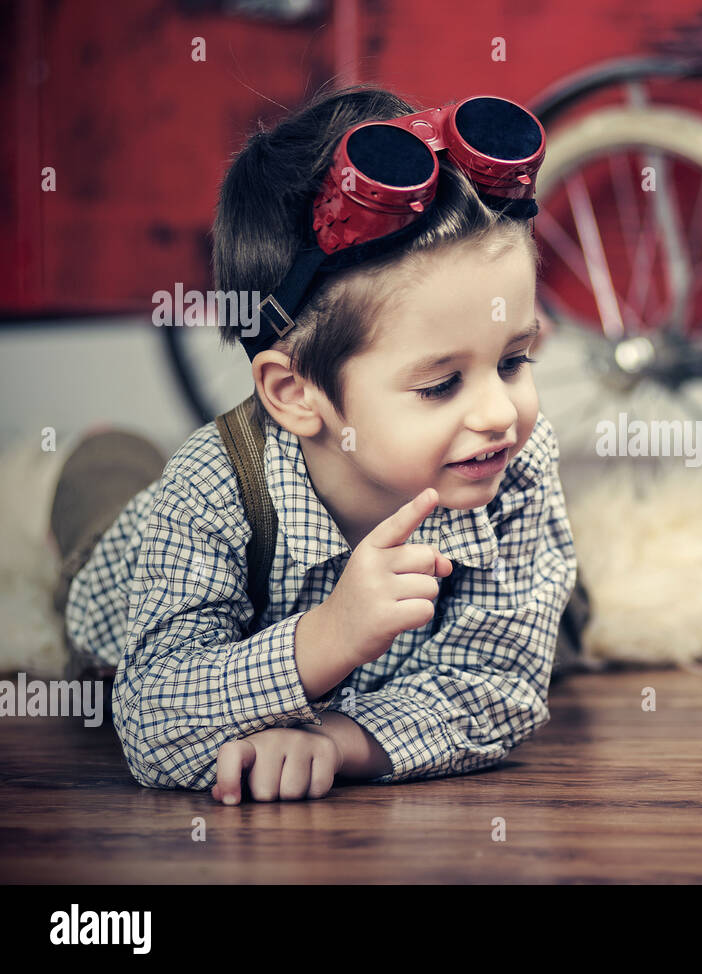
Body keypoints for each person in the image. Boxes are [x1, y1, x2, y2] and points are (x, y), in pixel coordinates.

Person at [51, 83, 579, 805]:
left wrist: (341, 739)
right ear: (296, 393)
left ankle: (567, 599)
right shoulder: (208, 490)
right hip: (134, 561)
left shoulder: (513, 459)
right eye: (440, 385)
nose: (500, 414)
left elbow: (501, 687)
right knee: (106, 493)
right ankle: (101, 449)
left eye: (514, 361)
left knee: (558, 618)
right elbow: (153, 724)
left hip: (416, 628)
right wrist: (330, 637)